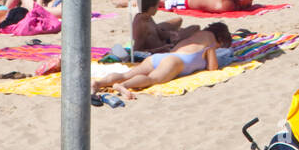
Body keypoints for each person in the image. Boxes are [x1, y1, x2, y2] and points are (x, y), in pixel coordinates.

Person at [94, 23, 233, 98]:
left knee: (127, 73)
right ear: (221, 38)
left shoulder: (197, 34)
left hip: (161, 57)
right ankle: (124, 86)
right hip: (176, 61)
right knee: (151, 79)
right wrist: (214, 48)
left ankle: (98, 83)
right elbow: (213, 68)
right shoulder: (211, 41)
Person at [131, 0, 196, 54]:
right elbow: (136, 52)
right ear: (151, 8)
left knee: (178, 20)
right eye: (157, 6)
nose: (158, 8)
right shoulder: (140, 25)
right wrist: (162, 48)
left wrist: (171, 34)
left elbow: (159, 33)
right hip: (161, 48)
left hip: (162, 42)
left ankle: (175, 33)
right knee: (194, 28)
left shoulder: (147, 16)